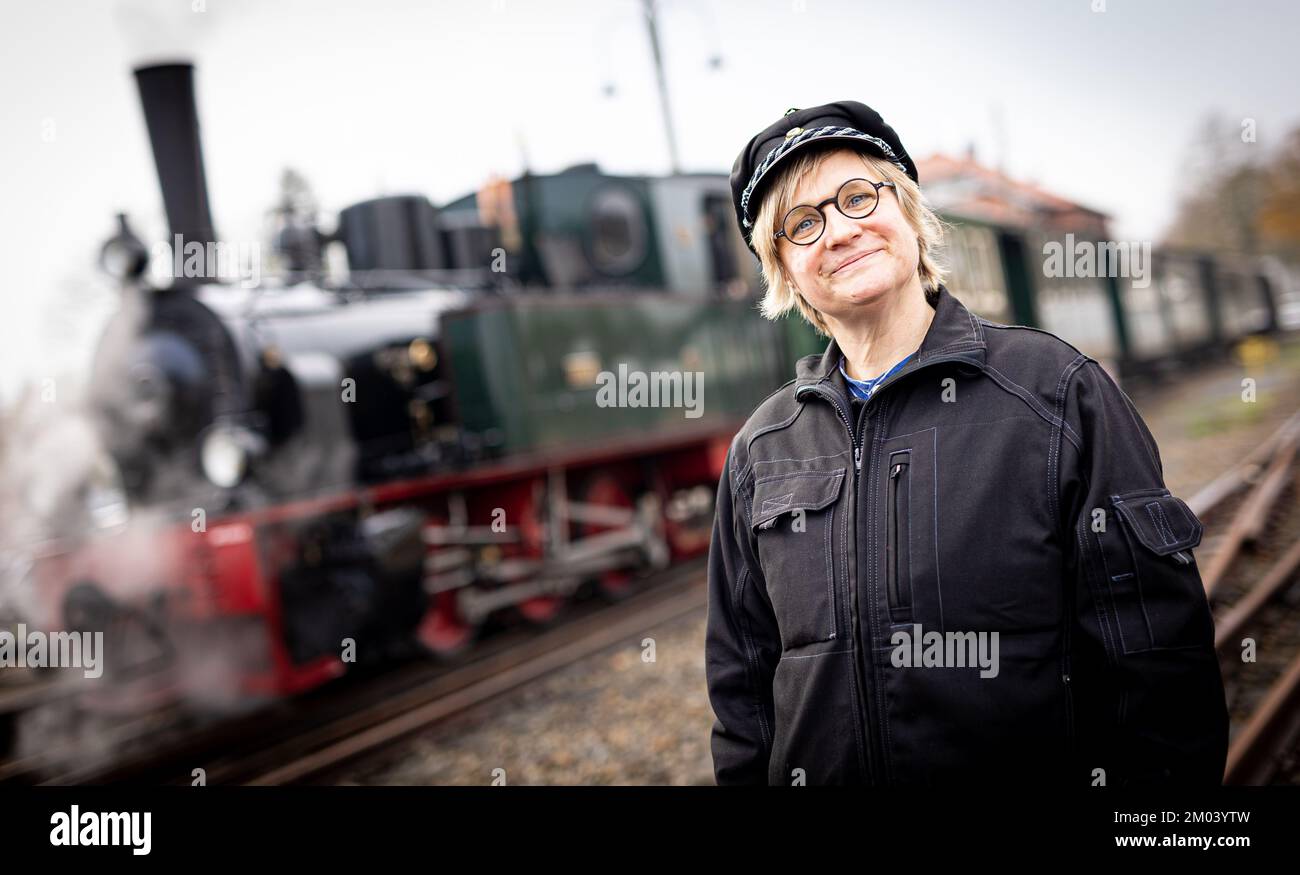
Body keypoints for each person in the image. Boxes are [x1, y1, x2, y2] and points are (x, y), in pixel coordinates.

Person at [705, 100, 1229, 786]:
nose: (838, 231)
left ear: (909, 213)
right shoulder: (761, 451)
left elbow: (1158, 664)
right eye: (803, 223)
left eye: (857, 196)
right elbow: (742, 698)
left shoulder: (1058, 395)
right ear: (784, 270)